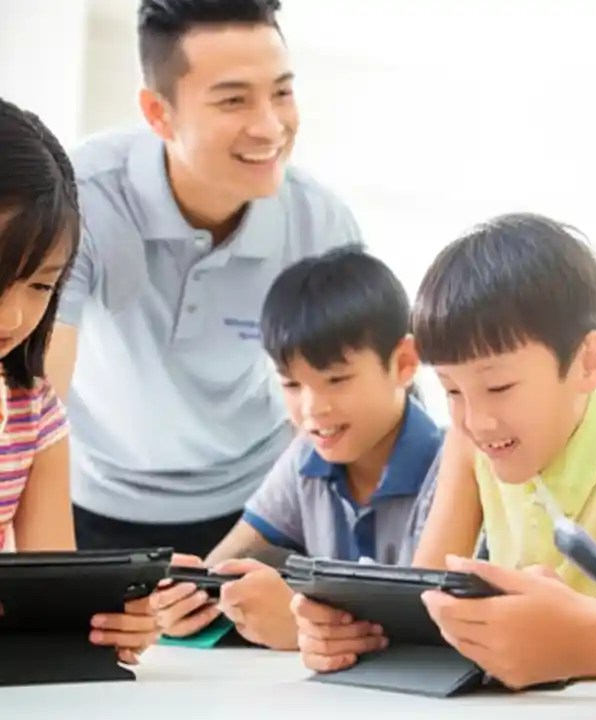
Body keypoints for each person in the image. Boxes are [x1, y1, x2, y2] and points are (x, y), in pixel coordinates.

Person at [291, 213, 596, 688]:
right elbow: (424, 600)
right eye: (452, 391)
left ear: (588, 363)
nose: (476, 420)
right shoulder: (468, 441)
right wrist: (351, 632)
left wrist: (555, 625)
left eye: (499, 386)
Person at [48, 0, 363, 556]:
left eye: (282, 92)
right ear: (157, 113)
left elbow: (360, 409)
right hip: (89, 505)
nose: (270, 127)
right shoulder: (81, 200)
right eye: (234, 100)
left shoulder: (321, 224)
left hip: (258, 510)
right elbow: (35, 396)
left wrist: (224, 565)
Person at [151, 246, 443, 650]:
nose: (312, 410)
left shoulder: (448, 468)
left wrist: (299, 623)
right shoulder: (308, 454)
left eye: (336, 380)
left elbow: (433, 628)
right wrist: (183, 601)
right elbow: (220, 566)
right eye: (291, 384)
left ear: (404, 363)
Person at [0, 96, 158, 664]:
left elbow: (51, 607)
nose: (13, 319)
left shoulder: (30, 413)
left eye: (41, 287)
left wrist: (103, 625)